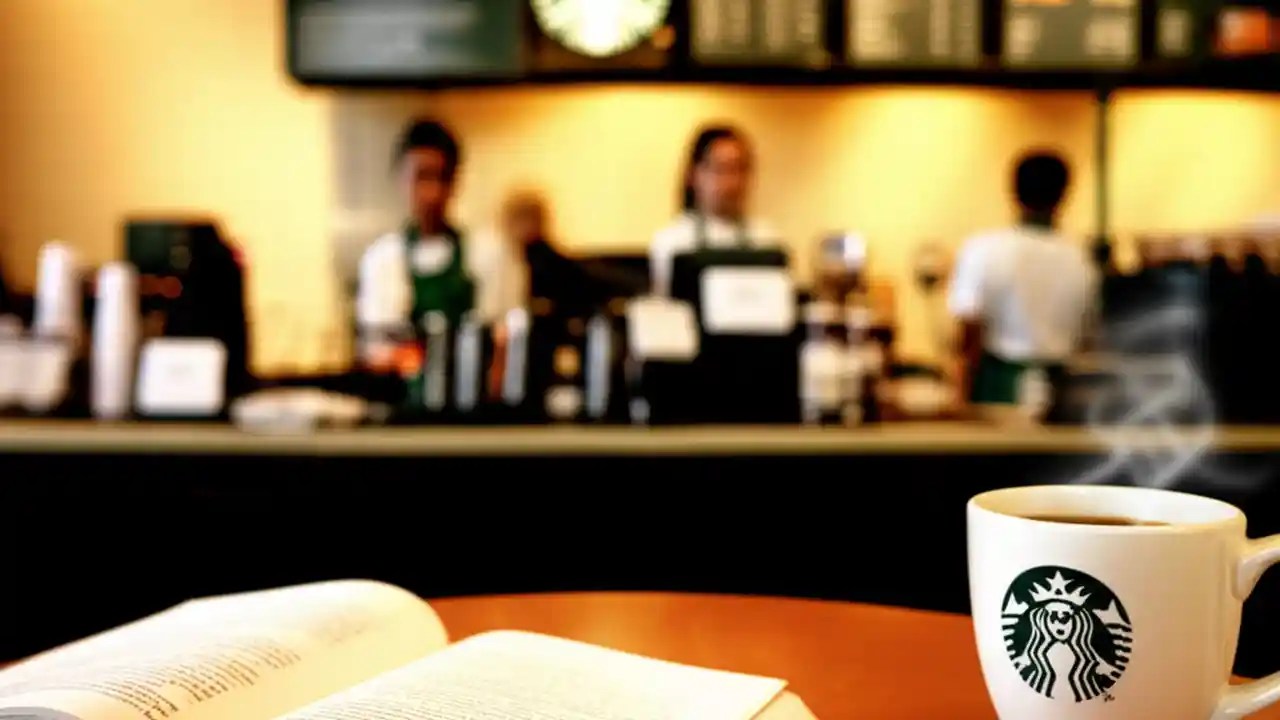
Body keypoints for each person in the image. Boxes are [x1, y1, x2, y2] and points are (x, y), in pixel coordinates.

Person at [356, 119, 517, 396]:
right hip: (403, 414)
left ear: (455, 182)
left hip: (474, 411)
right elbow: (377, 354)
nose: (431, 194)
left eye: (441, 178)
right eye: (420, 177)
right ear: (400, 179)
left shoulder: (489, 253)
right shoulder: (382, 260)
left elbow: (505, 344)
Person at [948, 150, 1097, 416]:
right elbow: (1088, 338)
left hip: (997, 386)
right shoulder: (1082, 260)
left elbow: (969, 333)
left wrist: (958, 396)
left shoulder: (983, 249)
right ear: (1064, 195)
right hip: (1059, 392)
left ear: (1013, 191)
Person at [649, 125, 778, 296]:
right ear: (693, 175)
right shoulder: (672, 240)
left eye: (740, 169)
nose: (732, 181)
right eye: (721, 169)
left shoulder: (767, 239)